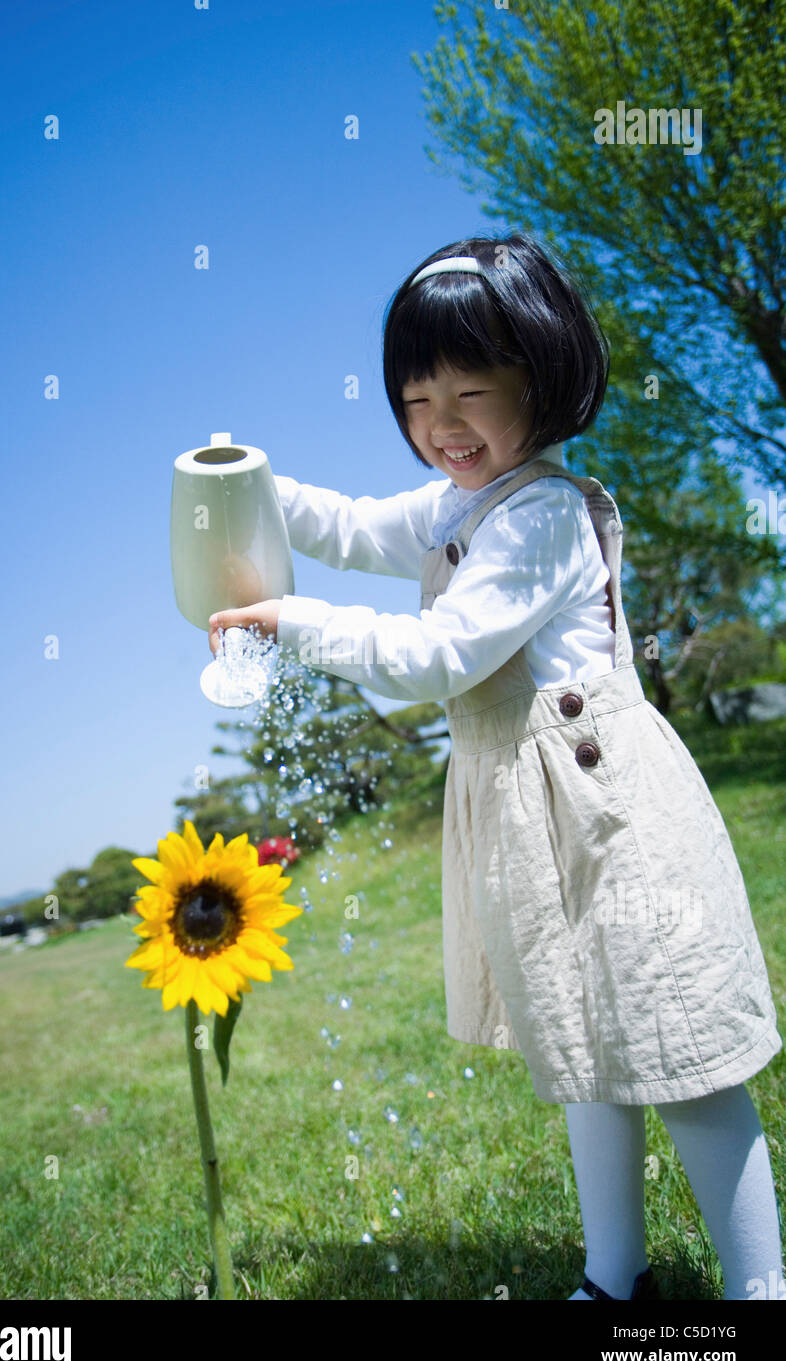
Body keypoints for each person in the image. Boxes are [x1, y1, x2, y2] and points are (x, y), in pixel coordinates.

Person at [208, 233, 784, 1301]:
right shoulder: (449, 505)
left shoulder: (542, 517)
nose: (442, 424)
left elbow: (437, 655)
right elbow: (343, 523)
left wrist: (291, 621)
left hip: (606, 810)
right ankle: (614, 1279)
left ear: (543, 379)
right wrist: (246, 488)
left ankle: (759, 1293)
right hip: (534, 816)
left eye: (472, 390)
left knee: (676, 1047)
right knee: (581, 1044)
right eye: (416, 398)